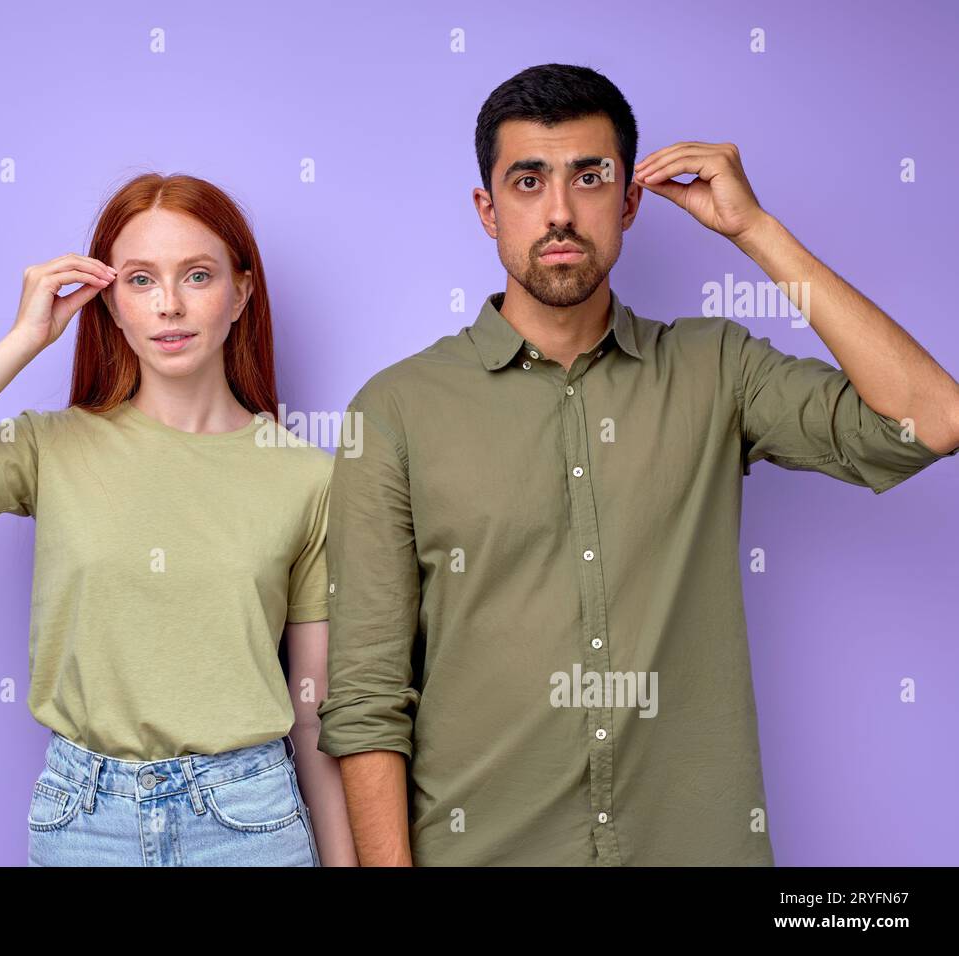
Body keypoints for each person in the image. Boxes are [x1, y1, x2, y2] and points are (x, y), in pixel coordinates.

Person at [315, 63, 959, 866]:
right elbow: (368, 700)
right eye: (527, 181)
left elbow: (930, 421)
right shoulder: (396, 410)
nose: (559, 212)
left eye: (590, 178)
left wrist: (754, 228)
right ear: (487, 210)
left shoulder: (716, 367)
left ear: (629, 200)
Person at [0, 172, 355, 866]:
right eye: (141, 280)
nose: (170, 305)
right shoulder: (50, 447)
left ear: (241, 292)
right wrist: (27, 338)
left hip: (249, 819)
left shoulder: (308, 478)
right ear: (111, 303)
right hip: (84, 817)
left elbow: (313, 708)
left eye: (198, 276)